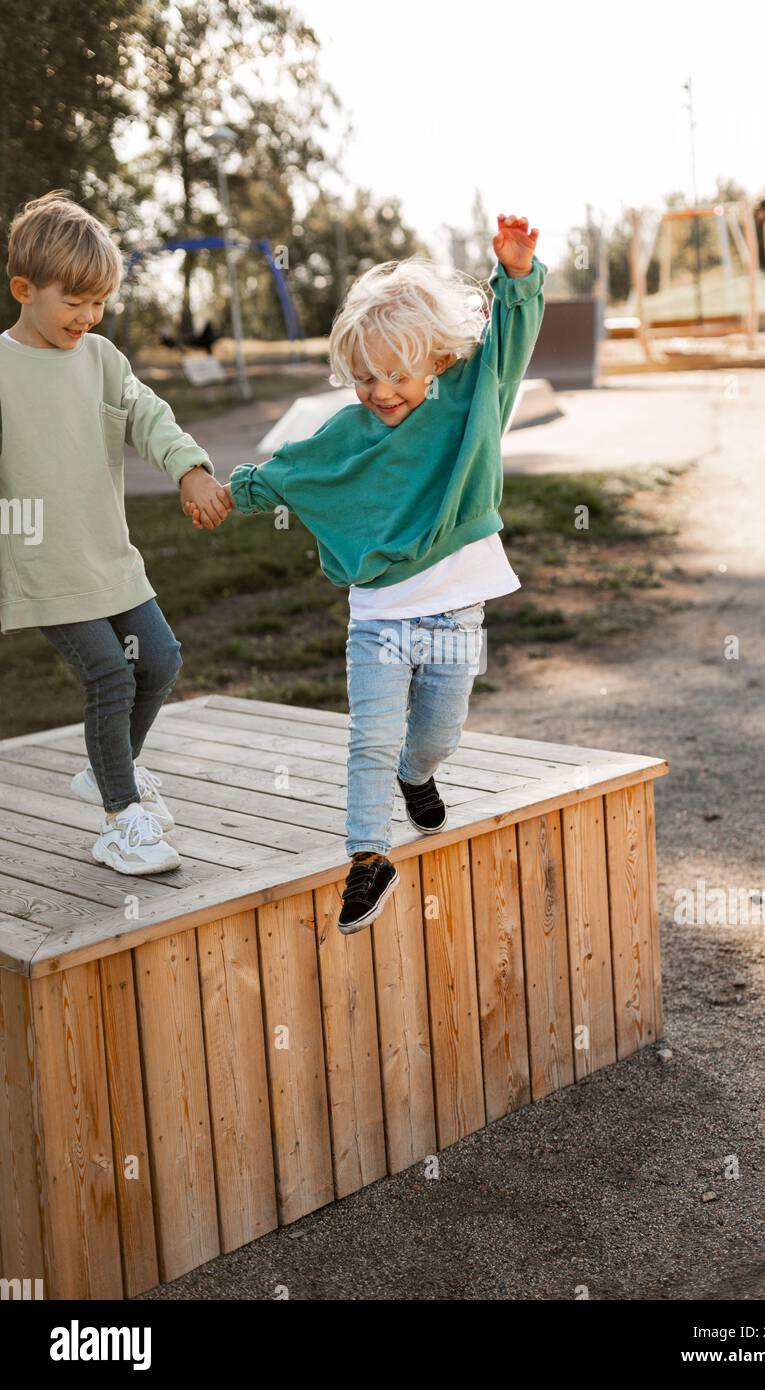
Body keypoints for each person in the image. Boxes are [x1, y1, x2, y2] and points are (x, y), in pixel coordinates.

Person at [190, 214, 546, 933]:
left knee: (437, 736)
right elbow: (296, 469)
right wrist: (233, 493)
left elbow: (508, 345)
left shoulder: (467, 404)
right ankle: (368, 858)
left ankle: (419, 777)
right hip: (378, 618)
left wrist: (516, 277)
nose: (381, 392)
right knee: (369, 738)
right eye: (364, 379)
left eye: (396, 375)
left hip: (454, 612)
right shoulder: (350, 431)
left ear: (437, 363)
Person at [0, 190, 231, 873]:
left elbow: (149, 418)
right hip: (44, 562)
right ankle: (119, 817)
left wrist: (190, 468)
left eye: (100, 301)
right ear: (24, 289)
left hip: (108, 555)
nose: (90, 316)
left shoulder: (102, 359)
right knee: (109, 673)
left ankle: (109, 771)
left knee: (158, 659)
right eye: (75, 301)